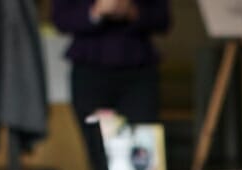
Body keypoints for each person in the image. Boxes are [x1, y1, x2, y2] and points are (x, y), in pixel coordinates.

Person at [52, 0, 171, 132]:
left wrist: (133, 12)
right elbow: (60, 18)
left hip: (137, 68)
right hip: (89, 69)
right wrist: (96, 11)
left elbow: (164, 18)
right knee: (94, 138)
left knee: (141, 139)